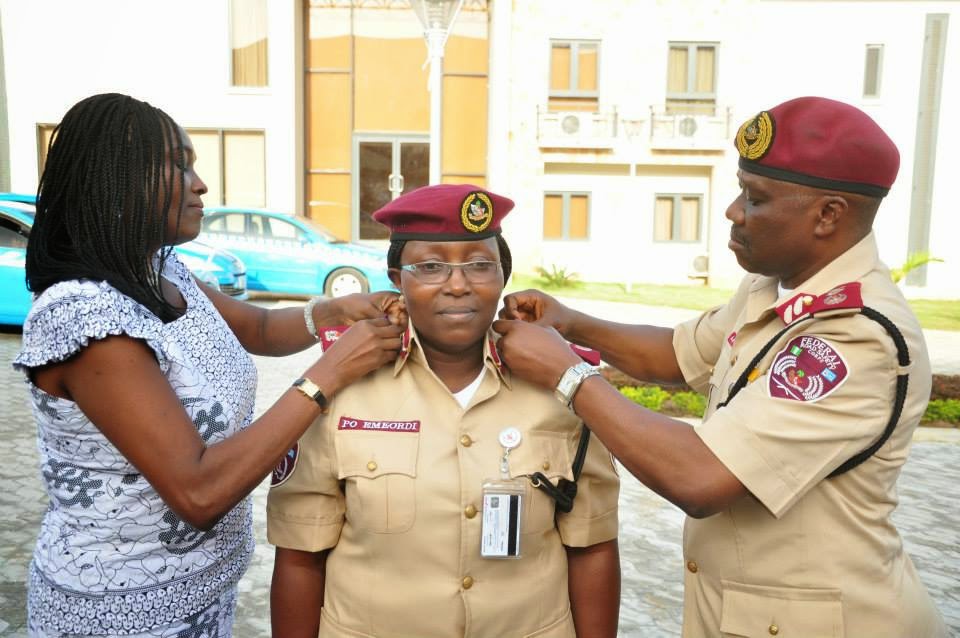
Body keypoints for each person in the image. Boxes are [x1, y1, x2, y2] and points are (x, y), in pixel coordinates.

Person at [494, 96, 948, 637]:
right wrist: (572, 322)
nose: (733, 211)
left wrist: (567, 374)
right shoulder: (777, 285)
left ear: (828, 215)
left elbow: (700, 476)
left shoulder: (855, 336)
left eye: (755, 199)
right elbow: (679, 353)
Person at [13, 93, 404, 637]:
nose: (200, 184)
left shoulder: (158, 269)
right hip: (118, 615)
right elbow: (198, 492)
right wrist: (329, 375)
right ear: (116, 178)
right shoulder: (86, 319)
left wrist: (332, 311)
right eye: (179, 163)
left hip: (202, 595)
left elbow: (259, 329)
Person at [268, 183, 621, 638]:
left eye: (479, 265)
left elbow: (592, 546)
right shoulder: (340, 384)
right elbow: (301, 554)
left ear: (502, 277)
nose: (458, 285)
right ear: (397, 277)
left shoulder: (563, 383)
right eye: (431, 266)